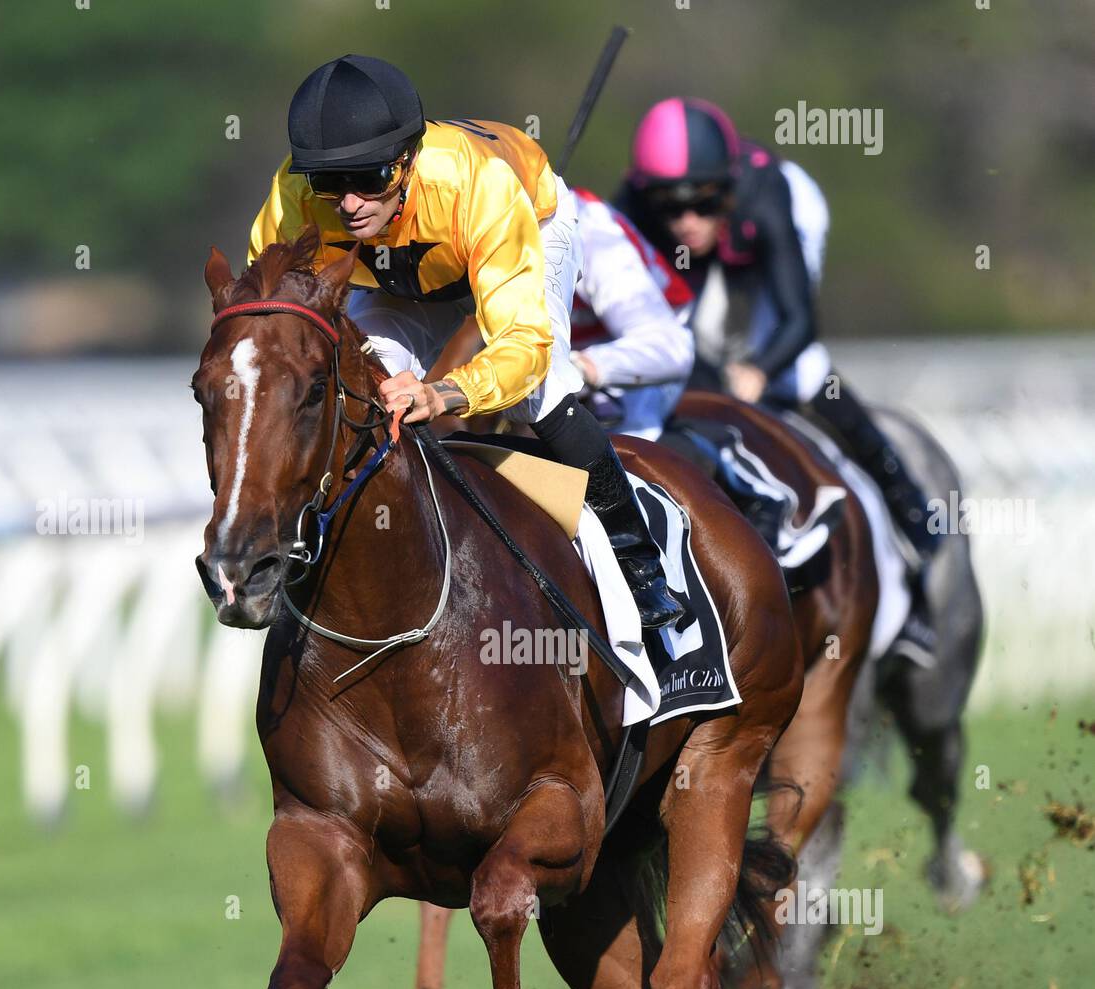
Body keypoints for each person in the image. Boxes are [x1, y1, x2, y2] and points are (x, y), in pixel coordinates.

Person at [247, 54, 683, 629]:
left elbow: (522, 346)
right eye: (330, 184)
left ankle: (639, 564)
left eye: (368, 180)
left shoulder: (479, 184)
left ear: (406, 160)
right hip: (397, 269)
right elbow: (270, 318)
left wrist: (447, 394)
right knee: (371, 383)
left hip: (527, 222)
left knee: (541, 389)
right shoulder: (294, 198)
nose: (350, 204)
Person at [618, 96, 939, 664]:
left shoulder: (766, 196)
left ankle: (913, 519)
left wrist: (759, 371)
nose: (686, 221)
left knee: (803, 373)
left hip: (784, 229)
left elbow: (799, 321)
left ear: (727, 188)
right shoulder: (637, 206)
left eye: (702, 203)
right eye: (670, 206)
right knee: (677, 354)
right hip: (703, 257)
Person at [569, 188, 696, 442]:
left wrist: (582, 367)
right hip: (566, 357)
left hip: (644, 362)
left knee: (616, 451)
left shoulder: (589, 235)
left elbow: (672, 348)